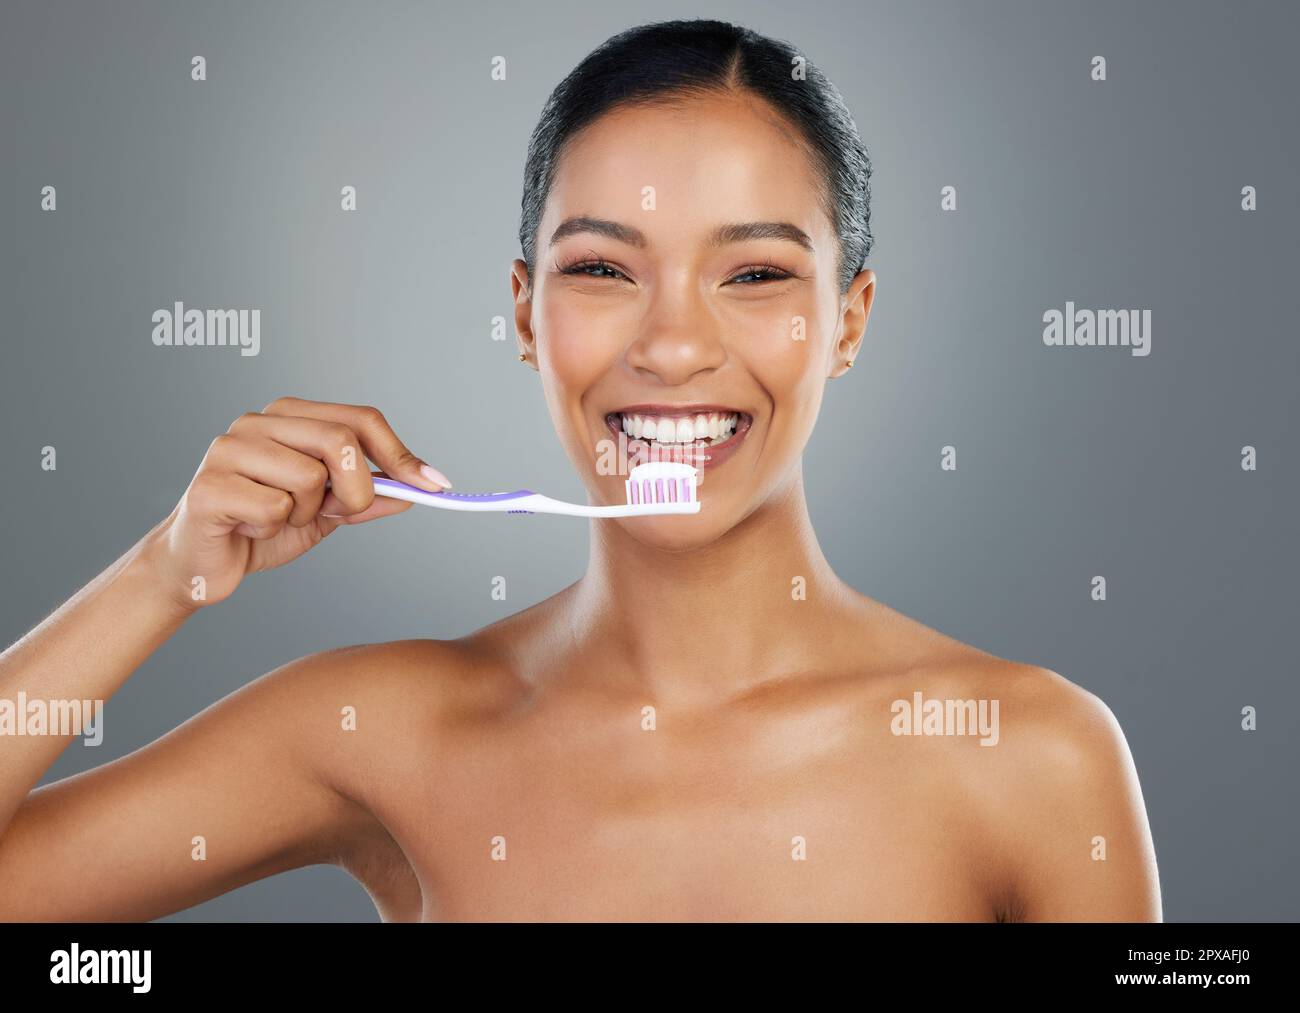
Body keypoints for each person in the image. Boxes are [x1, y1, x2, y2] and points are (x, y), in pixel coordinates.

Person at [0, 19, 1160, 921]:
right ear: (523, 311)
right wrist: (163, 573)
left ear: (847, 321)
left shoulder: (1032, 752)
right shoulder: (381, 727)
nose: (671, 345)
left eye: (754, 275)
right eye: (603, 269)